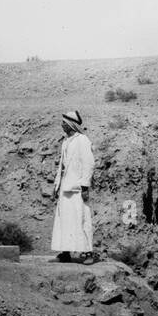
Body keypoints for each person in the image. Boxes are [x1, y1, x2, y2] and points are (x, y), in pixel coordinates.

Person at [50, 109, 95, 264]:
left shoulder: (82, 140)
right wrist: (56, 186)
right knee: (65, 220)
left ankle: (88, 253)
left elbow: (88, 164)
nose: (62, 124)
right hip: (65, 188)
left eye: (64, 122)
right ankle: (65, 252)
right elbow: (61, 167)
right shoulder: (66, 142)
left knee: (82, 219)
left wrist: (84, 187)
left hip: (77, 188)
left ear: (70, 124)